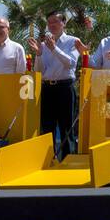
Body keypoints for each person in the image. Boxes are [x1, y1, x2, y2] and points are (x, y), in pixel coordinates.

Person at [29, 11, 80, 159]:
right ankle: (48, 160)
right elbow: (39, 71)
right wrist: (38, 54)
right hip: (47, 89)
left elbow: (71, 63)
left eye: (55, 21)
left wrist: (54, 49)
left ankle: (67, 160)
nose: (51, 25)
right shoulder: (44, 45)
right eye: (49, 22)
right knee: (47, 127)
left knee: (66, 126)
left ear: (64, 23)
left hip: (65, 87)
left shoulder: (73, 41)